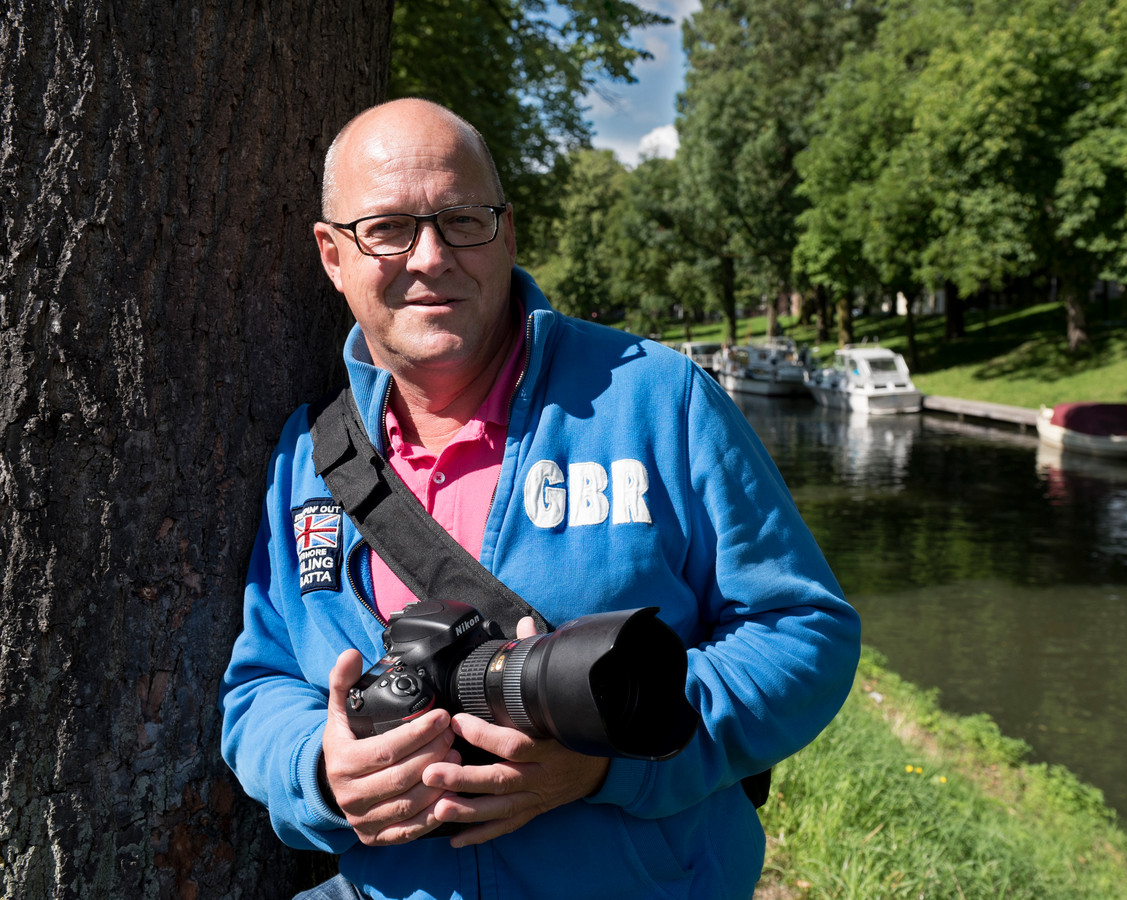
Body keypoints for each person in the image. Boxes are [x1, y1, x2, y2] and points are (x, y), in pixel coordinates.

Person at [219, 98, 860, 900]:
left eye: (463, 219)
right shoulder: (308, 459)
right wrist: (321, 768)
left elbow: (806, 634)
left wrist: (609, 761)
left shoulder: (658, 400)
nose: (430, 256)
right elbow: (261, 685)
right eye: (386, 228)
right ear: (332, 255)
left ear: (508, 232)